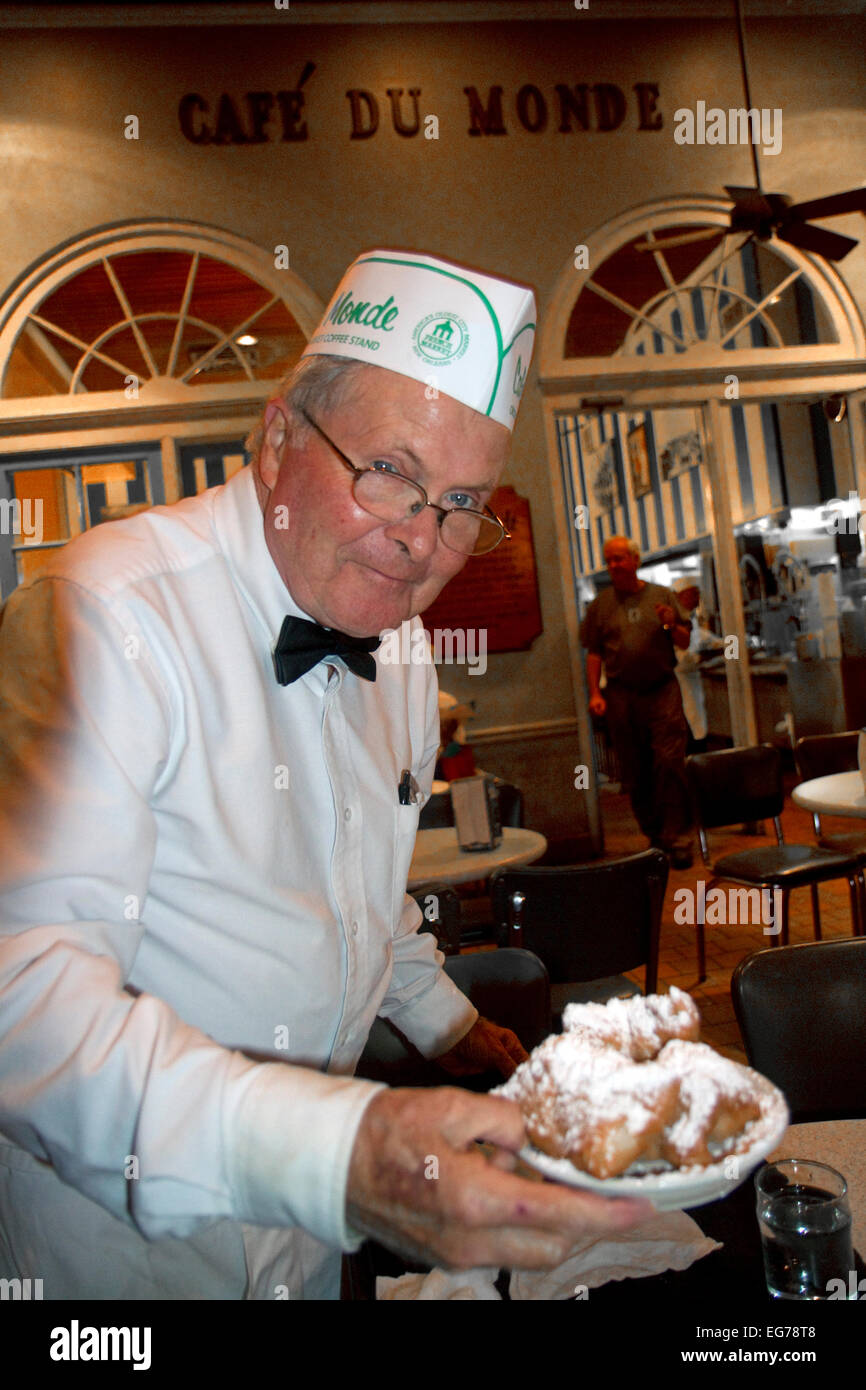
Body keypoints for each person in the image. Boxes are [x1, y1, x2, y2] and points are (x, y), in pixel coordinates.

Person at [0, 249, 649, 1300]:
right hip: (117, 1254)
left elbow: (358, 888)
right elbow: (19, 999)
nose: (420, 542)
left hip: (308, 1247)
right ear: (275, 439)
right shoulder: (108, 612)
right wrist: (337, 1154)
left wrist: (446, 1023)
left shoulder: (396, 647)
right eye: (388, 472)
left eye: (460, 502)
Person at [580, 536, 694, 869]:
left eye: (619, 559)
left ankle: (678, 836)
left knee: (670, 760)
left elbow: (685, 641)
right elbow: (594, 654)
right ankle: (655, 836)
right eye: (609, 560)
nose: (613, 565)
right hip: (620, 694)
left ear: (635, 560)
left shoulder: (661, 597)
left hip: (662, 689)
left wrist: (671, 622)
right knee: (636, 769)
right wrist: (595, 694)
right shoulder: (600, 606)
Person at [671, 576, 726, 753]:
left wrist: (736, 642)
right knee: (688, 741)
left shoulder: (691, 622)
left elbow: (712, 641)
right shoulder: (673, 624)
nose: (697, 598)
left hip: (692, 693)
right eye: (693, 594)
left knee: (697, 735)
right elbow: (683, 662)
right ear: (679, 597)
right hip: (679, 693)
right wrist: (707, 658)